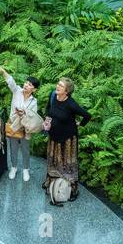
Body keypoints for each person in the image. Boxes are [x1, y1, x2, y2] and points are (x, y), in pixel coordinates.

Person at [42, 77, 91, 206]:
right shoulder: (54, 96)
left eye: (61, 86)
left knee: (67, 164)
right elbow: (49, 110)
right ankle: (52, 183)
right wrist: (47, 120)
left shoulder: (71, 104)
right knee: (54, 161)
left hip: (67, 139)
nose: (57, 86)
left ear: (67, 91)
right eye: (58, 83)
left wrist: (80, 124)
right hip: (54, 137)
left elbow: (87, 115)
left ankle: (73, 190)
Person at [0, 65, 40, 182]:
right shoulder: (17, 91)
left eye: (30, 85)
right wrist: (3, 72)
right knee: (13, 148)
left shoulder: (34, 101)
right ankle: (14, 167)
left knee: (25, 149)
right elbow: (11, 82)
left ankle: (26, 169)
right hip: (13, 125)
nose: (26, 85)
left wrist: (23, 113)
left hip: (25, 128)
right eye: (26, 83)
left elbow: (33, 116)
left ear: (34, 89)